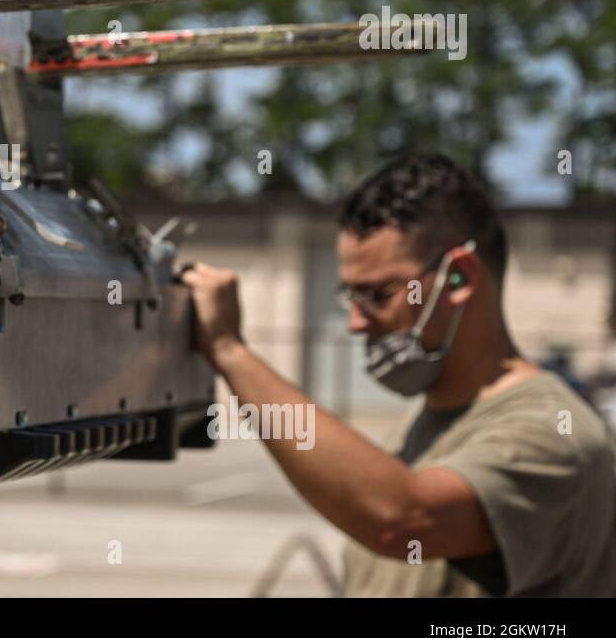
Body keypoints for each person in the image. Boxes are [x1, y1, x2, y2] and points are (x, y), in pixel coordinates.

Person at [181, 152, 616, 596]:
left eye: (376, 294)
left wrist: (229, 351)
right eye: (348, 295)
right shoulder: (417, 427)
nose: (355, 322)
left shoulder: (554, 433)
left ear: (459, 279)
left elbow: (402, 521)